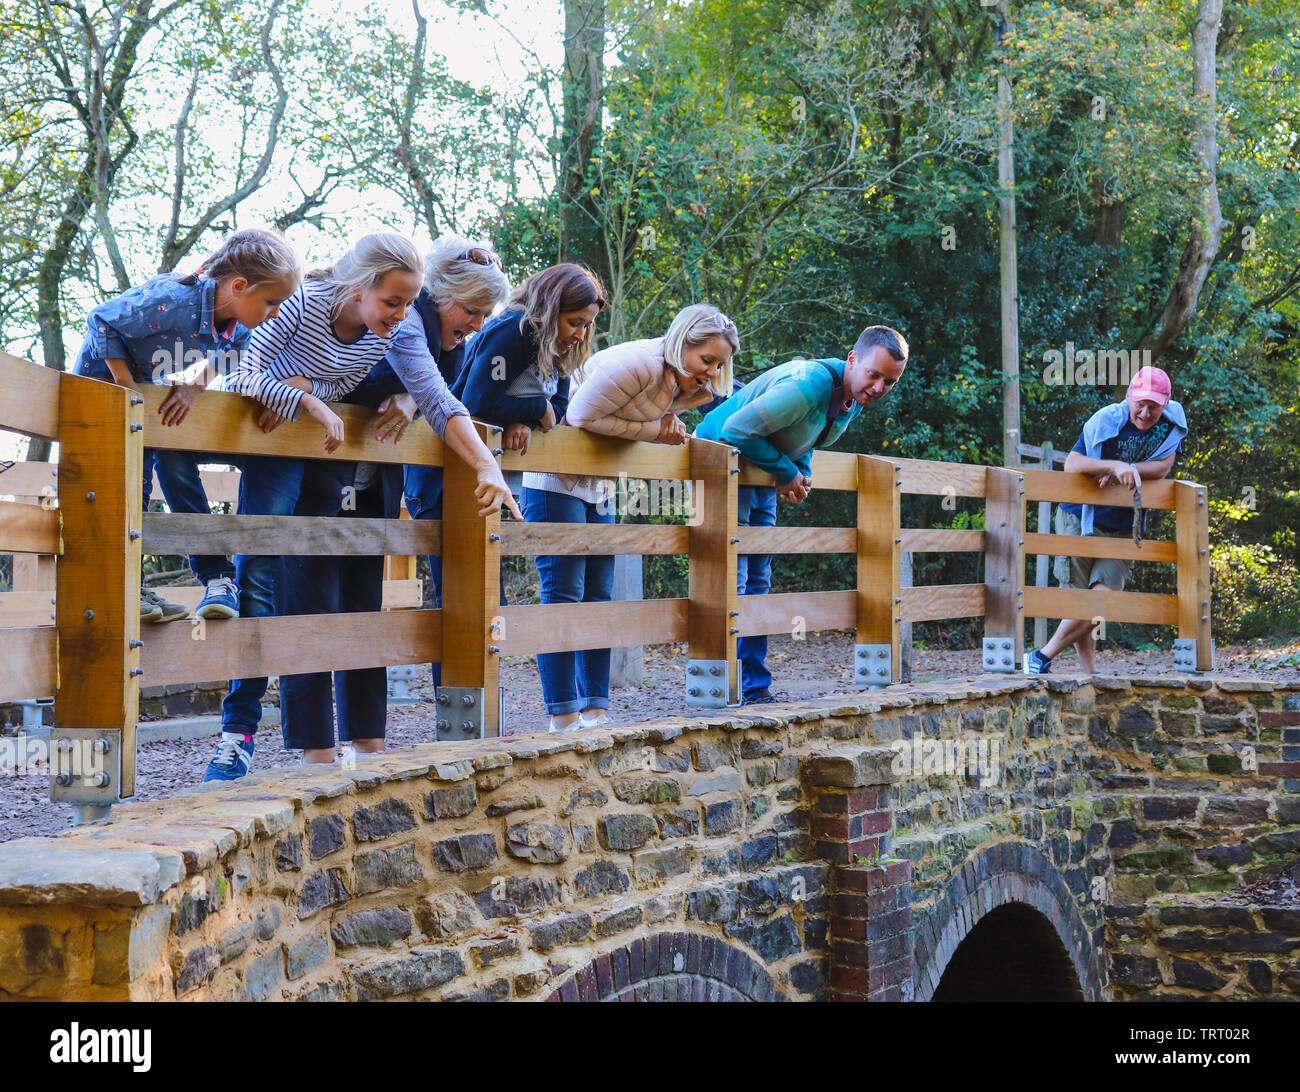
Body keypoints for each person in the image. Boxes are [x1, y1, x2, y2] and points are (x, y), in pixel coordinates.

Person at [201, 233, 517, 781]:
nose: (474, 323)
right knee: (303, 599)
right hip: (309, 463)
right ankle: (302, 747)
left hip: (371, 475)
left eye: (483, 314)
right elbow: (257, 368)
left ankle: (367, 743)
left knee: (364, 605)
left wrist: (420, 405)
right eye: (470, 310)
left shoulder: (406, 334)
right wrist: (300, 394)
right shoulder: (360, 313)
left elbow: (437, 394)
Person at [71, 228, 302, 624]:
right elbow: (101, 322)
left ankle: (132, 586)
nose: (276, 313)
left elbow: (235, 350)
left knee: (139, 488)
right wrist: (128, 392)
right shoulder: (174, 301)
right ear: (239, 286)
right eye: (271, 302)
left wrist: (195, 387)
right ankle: (99, 589)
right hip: (102, 386)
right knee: (107, 489)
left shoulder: (237, 323)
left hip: (142, 391)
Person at [531, 303, 737, 732]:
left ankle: (595, 708)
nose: (712, 371)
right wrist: (654, 431)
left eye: (719, 364)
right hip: (556, 477)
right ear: (683, 344)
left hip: (602, 483)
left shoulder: (684, 385)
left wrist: (669, 426)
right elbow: (583, 415)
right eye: (707, 360)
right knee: (563, 592)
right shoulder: (640, 364)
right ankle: (563, 713)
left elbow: (635, 423)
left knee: (599, 596)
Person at [696, 325, 909, 702]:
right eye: (874, 375)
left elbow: (806, 437)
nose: (878, 388)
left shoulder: (851, 398)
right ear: (853, 360)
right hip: (719, 466)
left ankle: (754, 689)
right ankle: (720, 693)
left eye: (889, 383)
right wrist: (786, 472)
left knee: (759, 581)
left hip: (757, 473)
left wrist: (802, 471)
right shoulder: (809, 385)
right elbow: (734, 430)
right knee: (736, 579)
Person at [450, 262, 607, 605]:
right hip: (452, 474)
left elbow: (559, 410)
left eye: (587, 325)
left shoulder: (560, 348)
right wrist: (534, 410)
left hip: (493, 473)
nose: (580, 334)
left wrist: (525, 420)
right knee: (474, 599)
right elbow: (474, 401)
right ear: (551, 310)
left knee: (490, 600)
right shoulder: (514, 331)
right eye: (574, 322)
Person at [1024, 366, 1187, 675]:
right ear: (1129, 396)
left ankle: (1041, 656)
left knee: (1102, 595)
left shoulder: (1170, 426)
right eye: (1140, 403)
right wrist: (1113, 466)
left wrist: (1131, 469)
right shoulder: (1106, 420)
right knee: (1080, 601)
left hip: (1125, 524)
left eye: (1153, 405)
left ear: (1165, 404)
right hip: (1078, 515)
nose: (1145, 411)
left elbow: (1163, 468)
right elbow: (1072, 464)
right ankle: (1089, 673)